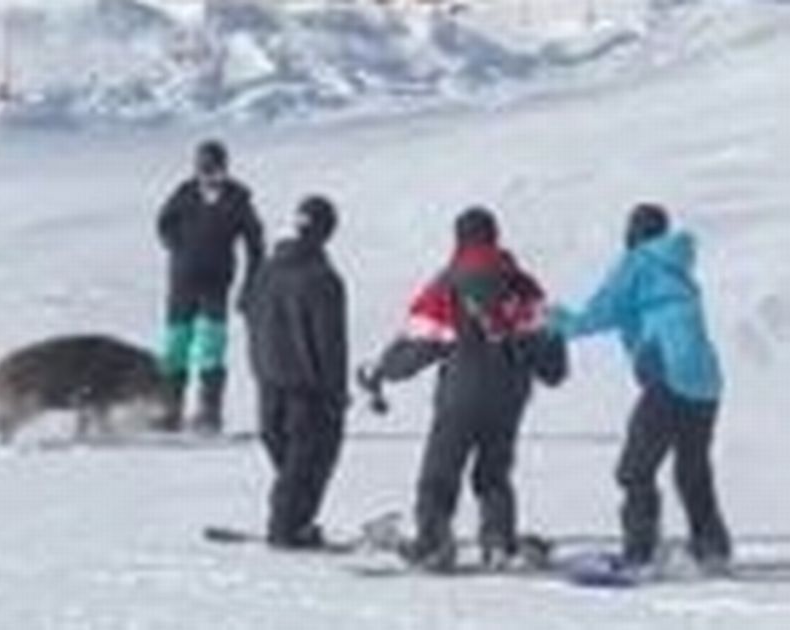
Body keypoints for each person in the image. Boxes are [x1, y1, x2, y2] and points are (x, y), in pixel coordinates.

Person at [363, 207, 567, 571]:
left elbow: (422, 342)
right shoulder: (521, 283)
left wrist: (383, 370)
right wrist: (552, 370)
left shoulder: (449, 282)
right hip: (510, 394)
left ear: (459, 239)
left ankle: (434, 542)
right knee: (494, 471)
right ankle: (498, 543)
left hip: (462, 392)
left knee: (440, 472)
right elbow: (546, 337)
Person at [549, 203, 731, 573]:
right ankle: (712, 549)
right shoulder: (678, 268)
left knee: (634, 470)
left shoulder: (639, 264)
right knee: (692, 469)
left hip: (670, 375)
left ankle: (640, 554)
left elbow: (598, 314)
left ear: (633, 233)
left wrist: (555, 320)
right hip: (707, 382)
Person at [245, 196, 347, 549]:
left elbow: (249, 316)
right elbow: (330, 343)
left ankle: (290, 519)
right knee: (310, 459)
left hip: (267, 380)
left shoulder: (266, 271)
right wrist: (336, 392)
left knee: (290, 461)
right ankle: (287, 526)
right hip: (306, 386)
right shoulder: (321, 278)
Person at [157, 140, 265, 434]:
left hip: (216, 283)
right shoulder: (185, 193)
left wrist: (250, 286)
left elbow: (256, 245)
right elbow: (164, 222)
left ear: (224, 169)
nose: (209, 176)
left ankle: (209, 411)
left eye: (215, 170)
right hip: (182, 281)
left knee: (210, 346)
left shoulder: (237, 199)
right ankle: (169, 411)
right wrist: (176, 245)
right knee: (174, 346)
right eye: (204, 169)